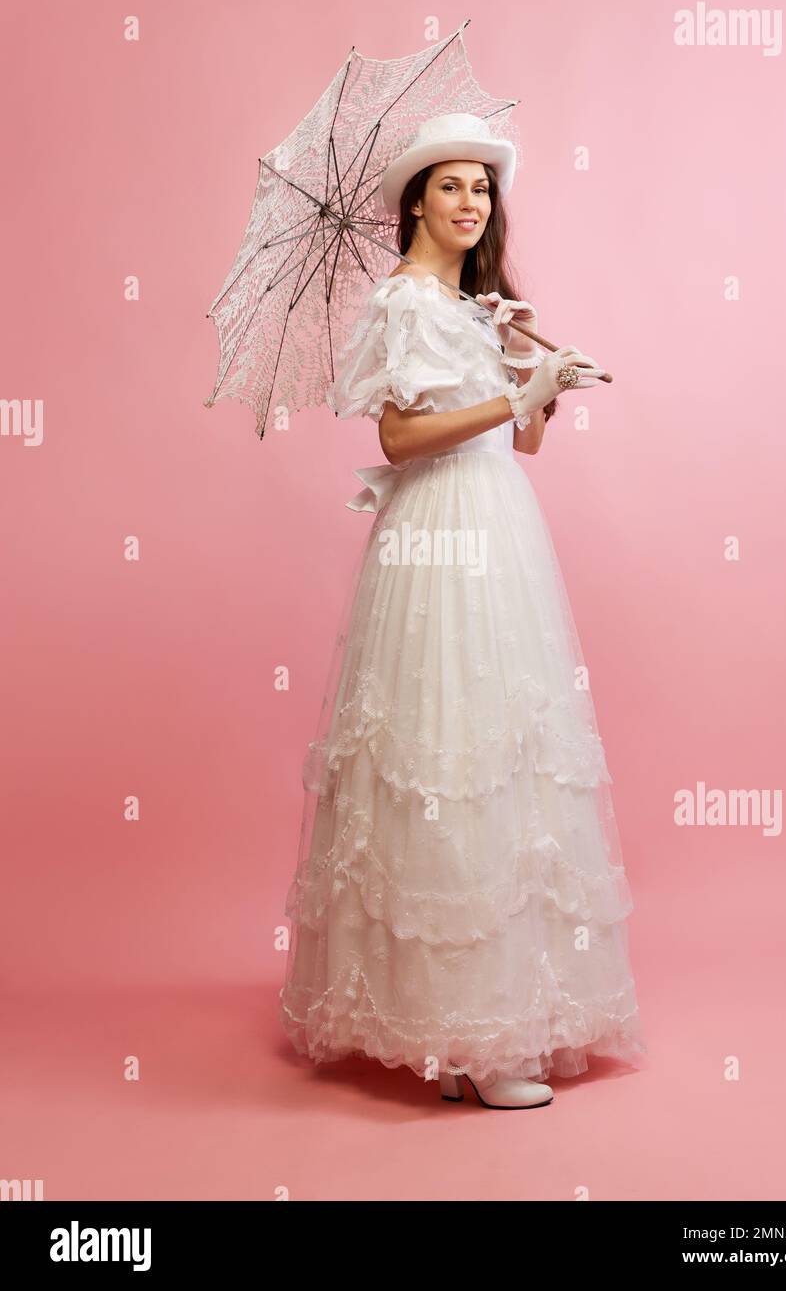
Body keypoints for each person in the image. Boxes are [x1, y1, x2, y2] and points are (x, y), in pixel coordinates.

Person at [279, 112, 647, 1110]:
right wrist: (510, 390)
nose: (470, 202)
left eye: (482, 189)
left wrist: (545, 388)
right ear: (416, 204)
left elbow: (520, 448)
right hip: (437, 533)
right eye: (450, 186)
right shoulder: (404, 303)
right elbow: (401, 438)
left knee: (501, 748)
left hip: (498, 521)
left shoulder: (485, 310)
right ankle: (471, 1045)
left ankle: (472, 1029)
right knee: (447, 745)